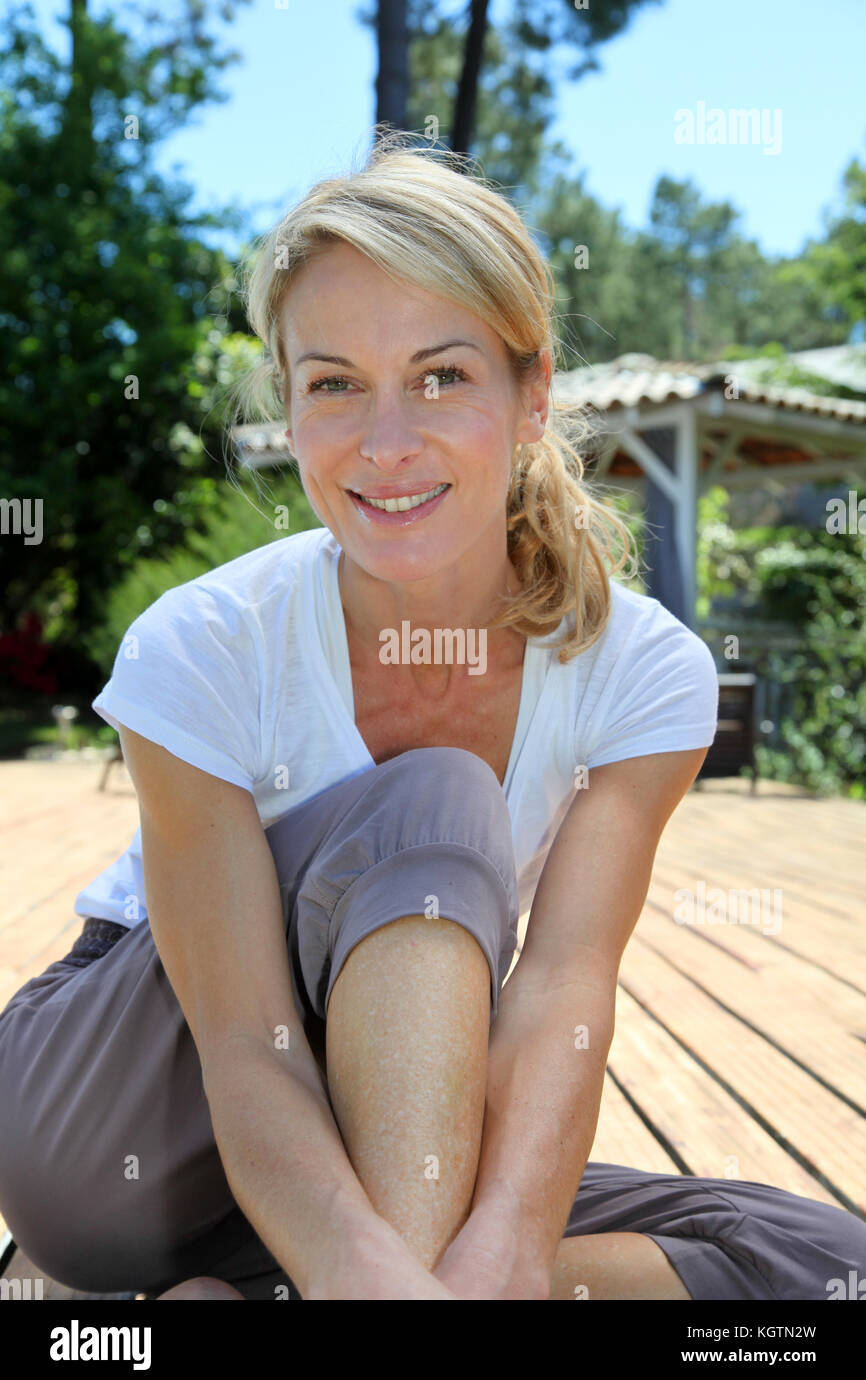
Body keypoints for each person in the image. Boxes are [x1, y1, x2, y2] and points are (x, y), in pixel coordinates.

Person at [1, 131, 864, 1302]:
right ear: (291, 406)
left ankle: (278, 1292)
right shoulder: (203, 645)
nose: (385, 441)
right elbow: (251, 1055)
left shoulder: (642, 670)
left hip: (386, 1108)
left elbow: (560, 990)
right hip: (122, 1127)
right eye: (335, 383)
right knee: (435, 797)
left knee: (825, 1267)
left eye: (442, 375)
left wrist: (504, 1251)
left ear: (531, 392)